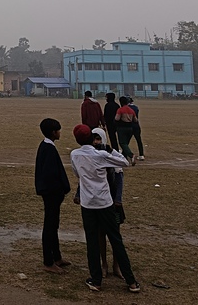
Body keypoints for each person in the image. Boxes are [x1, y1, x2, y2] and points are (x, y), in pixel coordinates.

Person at [70, 124, 140, 293]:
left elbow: (77, 174)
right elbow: (124, 162)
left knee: (92, 242)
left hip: (88, 204)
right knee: (116, 239)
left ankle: (96, 280)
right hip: (104, 203)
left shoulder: (74, 154)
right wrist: (110, 150)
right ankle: (131, 281)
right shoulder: (100, 155)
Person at [35, 118, 72, 274]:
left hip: (52, 192)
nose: (60, 133)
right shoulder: (48, 149)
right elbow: (50, 174)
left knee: (54, 224)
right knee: (50, 226)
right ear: (53, 132)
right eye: (58, 130)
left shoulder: (47, 146)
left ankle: (56, 256)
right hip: (51, 193)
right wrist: (60, 190)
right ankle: (48, 261)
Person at [91, 127, 125, 279]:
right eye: (94, 139)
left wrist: (118, 199)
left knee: (115, 233)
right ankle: (103, 263)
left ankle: (116, 265)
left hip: (113, 203)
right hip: (98, 202)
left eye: (98, 138)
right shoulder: (91, 155)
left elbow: (119, 177)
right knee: (100, 234)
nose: (96, 142)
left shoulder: (112, 155)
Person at [115, 97, 138, 166]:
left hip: (122, 128)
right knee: (126, 145)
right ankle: (124, 159)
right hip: (130, 128)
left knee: (122, 143)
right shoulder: (131, 110)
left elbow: (117, 118)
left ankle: (131, 155)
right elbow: (135, 120)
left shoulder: (120, 110)